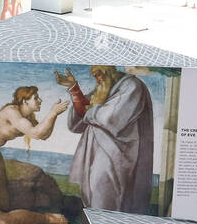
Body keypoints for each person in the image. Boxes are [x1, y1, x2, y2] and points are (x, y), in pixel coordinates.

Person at [56, 66, 154, 213]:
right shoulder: (104, 88)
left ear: (110, 71)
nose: (97, 79)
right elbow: (78, 120)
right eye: (95, 76)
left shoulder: (132, 86)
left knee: (104, 186)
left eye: (99, 74)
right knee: (90, 186)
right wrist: (74, 88)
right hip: (96, 150)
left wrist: (88, 110)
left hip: (117, 153)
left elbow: (110, 117)